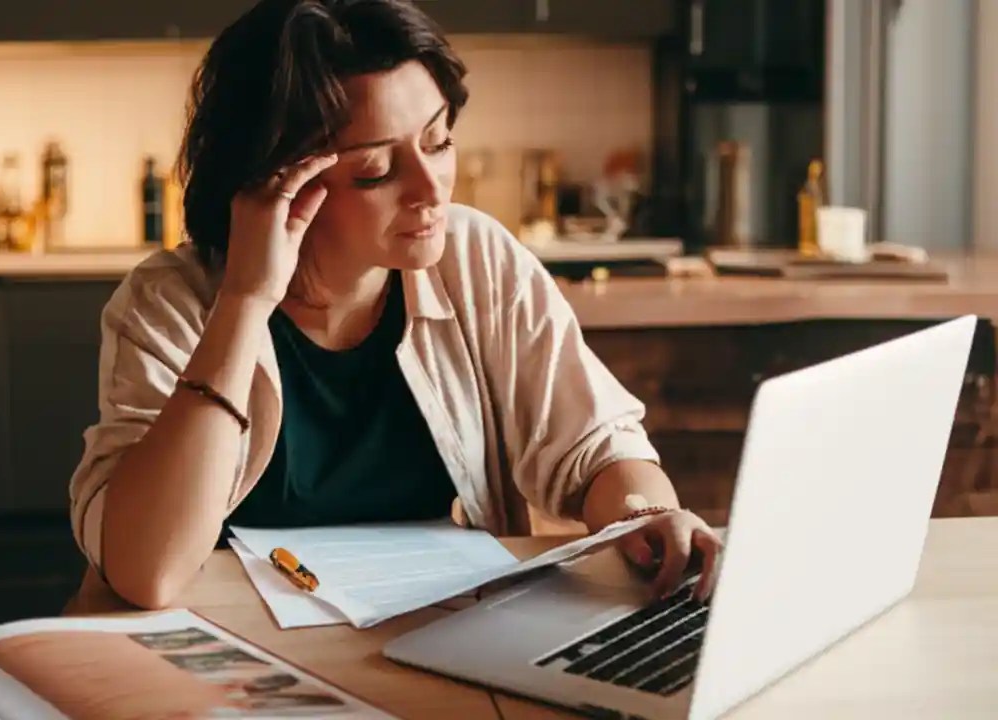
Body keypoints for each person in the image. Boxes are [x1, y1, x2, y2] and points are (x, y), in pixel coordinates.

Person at [67, 0, 720, 612]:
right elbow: (147, 570)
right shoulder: (170, 302)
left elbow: (597, 449)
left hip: (435, 629)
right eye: (375, 170)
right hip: (232, 641)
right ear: (271, 182)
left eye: (438, 141)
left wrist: (645, 516)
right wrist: (244, 301)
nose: (431, 188)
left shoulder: (477, 258)